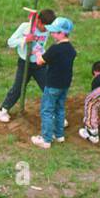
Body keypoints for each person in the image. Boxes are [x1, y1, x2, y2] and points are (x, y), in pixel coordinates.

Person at [0, 9, 55, 122]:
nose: (45, 30)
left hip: (40, 62)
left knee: (48, 88)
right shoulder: (25, 27)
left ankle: (55, 114)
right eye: (43, 26)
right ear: (38, 21)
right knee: (18, 87)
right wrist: (25, 39)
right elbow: (10, 42)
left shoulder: (49, 30)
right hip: (25, 63)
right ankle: (3, 110)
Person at [30, 16, 75, 148]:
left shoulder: (55, 49)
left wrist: (37, 52)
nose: (51, 33)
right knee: (60, 108)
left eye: (54, 32)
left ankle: (46, 139)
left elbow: (40, 61)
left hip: (52, 84)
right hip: (64, 84)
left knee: (47, 110)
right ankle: (59, 135)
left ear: (62, 33)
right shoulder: (71, 49)